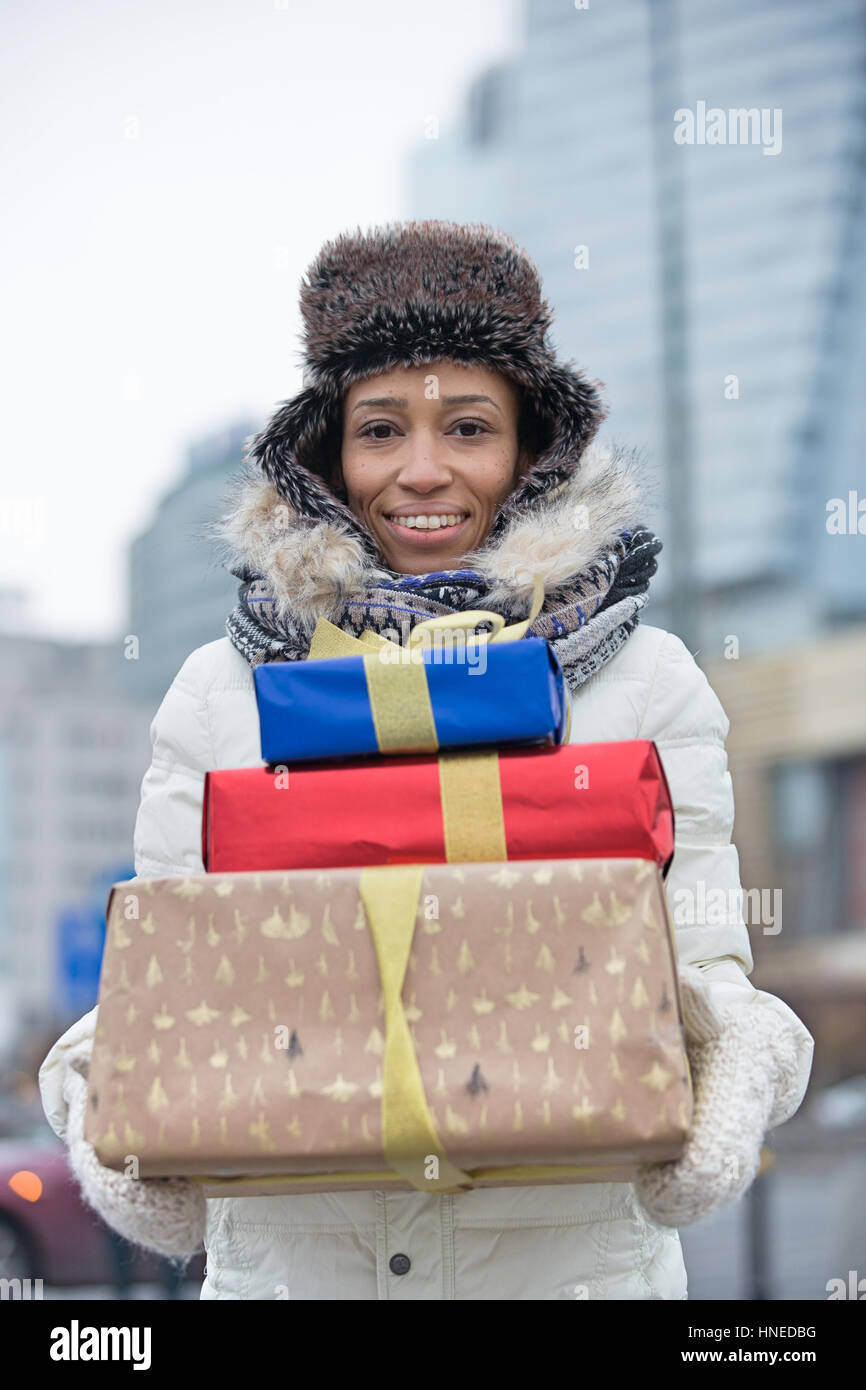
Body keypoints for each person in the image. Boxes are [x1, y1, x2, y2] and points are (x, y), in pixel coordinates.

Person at [38, 219, 814, 1300]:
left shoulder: (646, 679)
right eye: (380, 429)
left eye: (465, 426)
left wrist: (734, 1064)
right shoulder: (220, 692)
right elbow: (164, 972)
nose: (420, 471)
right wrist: (97, 1087)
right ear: (324, 452)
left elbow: (707, 972)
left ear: (528, 444)